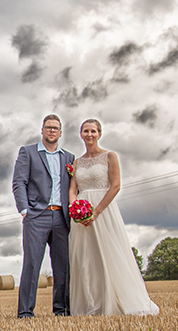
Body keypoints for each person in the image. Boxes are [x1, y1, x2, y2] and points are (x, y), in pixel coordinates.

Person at [68, 119, 159, 316]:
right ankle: (92, 304)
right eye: (86, 131)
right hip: (81, 214)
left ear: (99, 134)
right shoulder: (77, 162)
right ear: (81, 134)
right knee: (86, 258)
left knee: (110, 253)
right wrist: (75, 208)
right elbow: (73, 190)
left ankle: (118, 302)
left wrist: (96, 211)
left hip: (104, 210)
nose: (89, 134)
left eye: (93, 131)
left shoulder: (110, 156)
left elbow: (115, 186)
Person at [11, 114, 74, 317]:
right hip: (36, 216)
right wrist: (24, 210)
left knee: (62, 266)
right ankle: (26, 312)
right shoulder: (28, 152)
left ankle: (61, 310)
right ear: (42, 130)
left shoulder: (69, 158)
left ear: (60, 132)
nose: (52, 131)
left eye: (55, 128)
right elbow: (19, 182)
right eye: (48, 127)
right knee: (32, 264)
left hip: (62, 218)